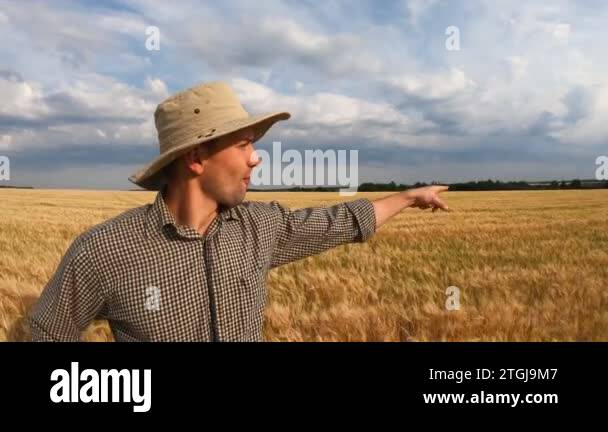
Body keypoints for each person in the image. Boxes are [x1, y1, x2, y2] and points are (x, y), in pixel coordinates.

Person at [29, 81, 450, 342]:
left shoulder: (260, 227)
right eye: (243, 145)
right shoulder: (105, 251)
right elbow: (45, 338)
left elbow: (336, 223)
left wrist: (409, 198)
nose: (255, 159)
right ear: (196, 158)